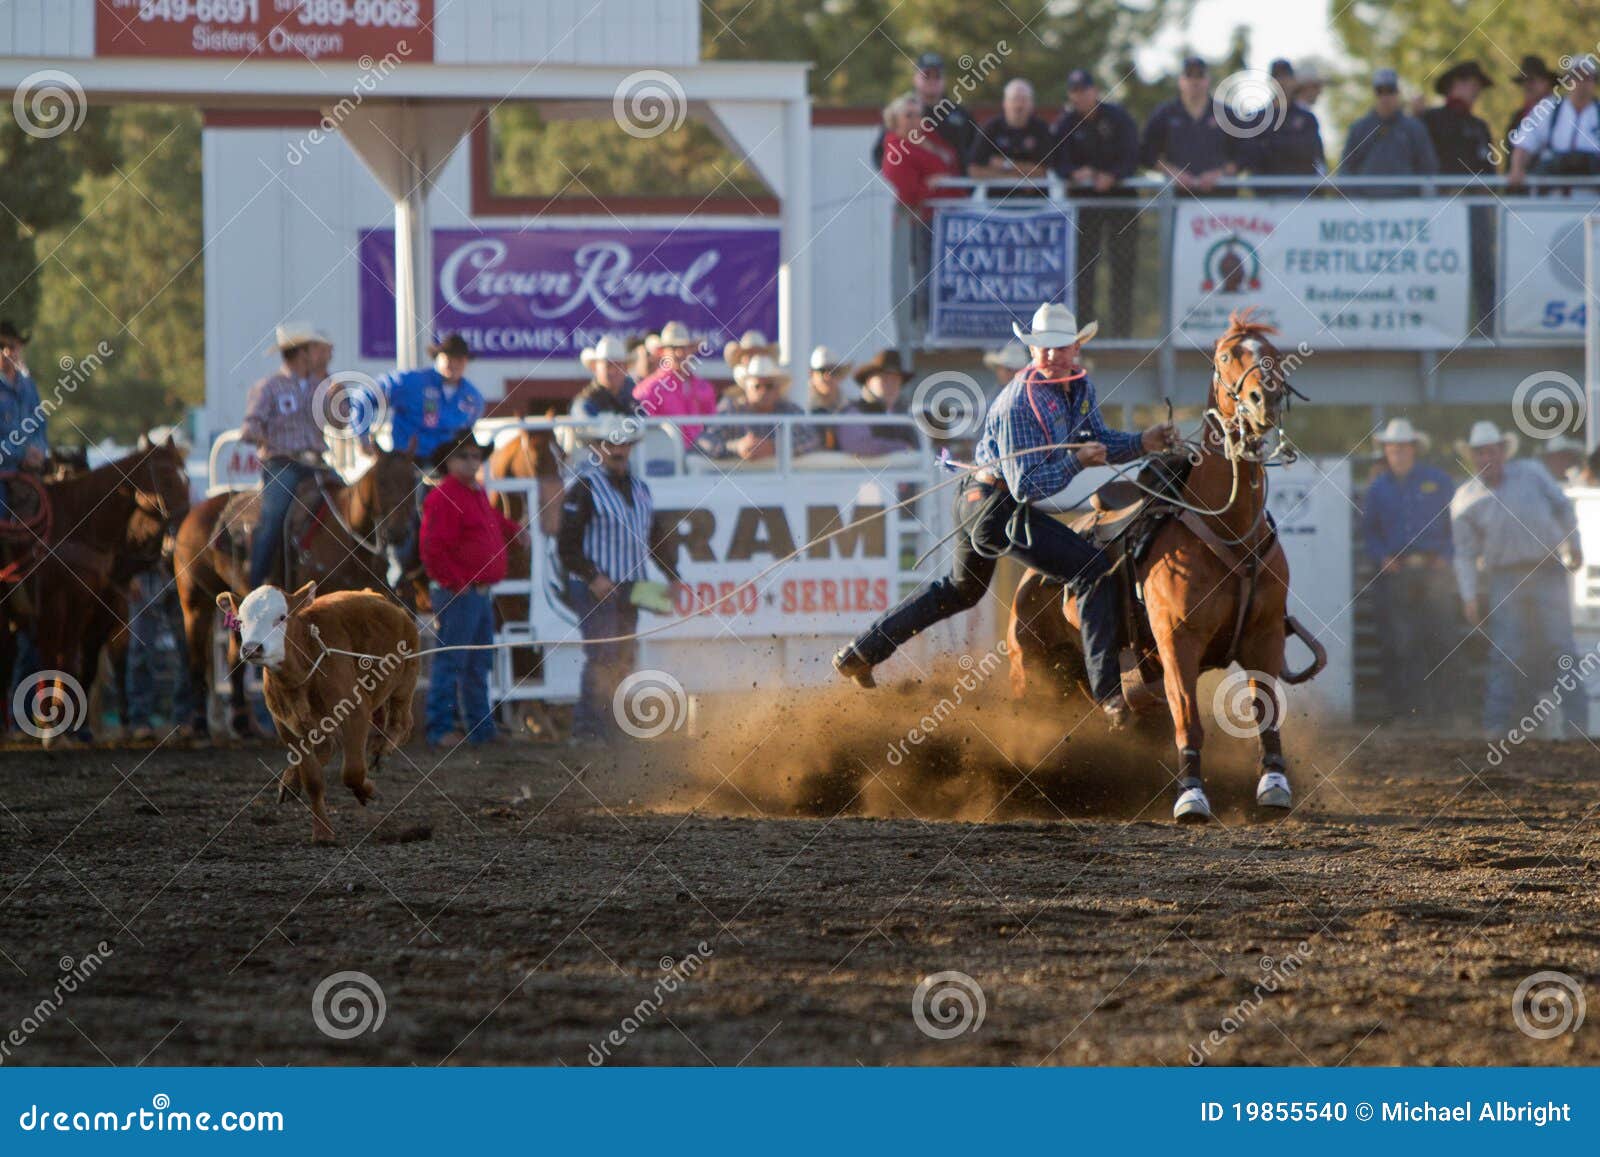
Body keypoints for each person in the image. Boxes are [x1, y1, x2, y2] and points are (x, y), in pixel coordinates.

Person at [833, 303, 1178, 723]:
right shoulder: (1018, 401)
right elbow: (1027, 486)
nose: (1051, 355)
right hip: (994, 506)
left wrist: (1144, 440)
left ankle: (861, 652)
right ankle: (1109, 695)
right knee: (1090, 569)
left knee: (960, 590)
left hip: (982, 499)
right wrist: (1077, 462)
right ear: (1033, 351)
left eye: (1059, 347)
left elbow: (1100, 439)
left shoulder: (1080, 390)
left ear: (1075, 349)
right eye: (1043, 348)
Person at [1451, 421, 1582, 738]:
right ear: (1472, 457)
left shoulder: (1532, 473)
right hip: (1505, 578)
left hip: (1546, 569)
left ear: (1502, 452)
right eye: (1480, 453)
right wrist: (1469, 595)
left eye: (1491, 451)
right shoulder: (1465, 499)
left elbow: (1563, 507)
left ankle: (1576, 727)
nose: (1486, 457)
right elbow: (1465, 554)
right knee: (1507, 653)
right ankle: (1497, 728)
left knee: (1561, 648)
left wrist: (1573, 544)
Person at [557, 416, 685, 741]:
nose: (619, 450)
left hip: (631, 585)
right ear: (598, 448)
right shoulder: (584, 488)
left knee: (624, 657)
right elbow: (566, 545)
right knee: (603, 656)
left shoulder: (641, 488)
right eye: (611, 443)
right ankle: (588, 730)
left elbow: (654, 538)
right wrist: (592, 576)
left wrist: (672, 576)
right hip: (594, 586)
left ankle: (612, 728)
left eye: (624, 443)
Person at [419, 429, 525, 746]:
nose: (471, 461)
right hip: (461, 592)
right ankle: (440, 729)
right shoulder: (444, 497)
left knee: (476, 663)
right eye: (464, 456)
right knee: (454, 661)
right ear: (450, 462)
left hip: (475, 592)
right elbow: (431, 548)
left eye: (476, 456)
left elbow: (490, 521)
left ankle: (480, 729)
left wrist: (513, 528)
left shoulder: (472, 492)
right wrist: (455, 582)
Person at [1361, 419, 1456, 727]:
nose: (1397, 452)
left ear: (1414, 448)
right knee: (1399, 643)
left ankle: (1442, 712)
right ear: (1386, 450)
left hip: (1433, 570)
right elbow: (1369, 533)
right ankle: (1404, 712)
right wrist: (1382, 557)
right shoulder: (1377, 489)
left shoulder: (1439, 482)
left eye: (1402, 447)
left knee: (1439, 639)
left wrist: (1446, 554)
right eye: (1392, 447)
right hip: (1397, 573)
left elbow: (1457, 523)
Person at [239, 321, 337, 588]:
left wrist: (339, 398)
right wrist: (264, 437)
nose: (320, 353)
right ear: (301, 353)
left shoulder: (322, 386)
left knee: (351, 500)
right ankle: (254, 584)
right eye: (313, 348)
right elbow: (249, 427)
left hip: (317, 463)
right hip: (283, 463)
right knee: (274, 518)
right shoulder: (269, 387)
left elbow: (340, 422)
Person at [1051, 70, 1140, 337]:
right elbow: (1058, 160)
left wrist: (1112, 175)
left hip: (1120, 204)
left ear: (1095, 91)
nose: (1080, 96)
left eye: (1085, 90)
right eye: (1075, 91)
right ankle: (1082, 336)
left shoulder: (1118, 118)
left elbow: (1134, 154)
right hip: (1084, 208)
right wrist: (1075, 174)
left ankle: (1122, 336)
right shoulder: (1066, 123)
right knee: (1082, 273)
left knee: (1122, 269)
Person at [1422, 61, 1496, 325]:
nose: (1477, 91)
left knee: (1482, 267)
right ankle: (1436, 327)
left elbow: (1490, 172)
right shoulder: (1429, 120)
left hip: (1474, 207)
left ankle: (1487, 327)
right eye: (1474, 85)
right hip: (1440, 207)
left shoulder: (1479, 126)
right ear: (1458, 84)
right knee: (1440, 267)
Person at [377, 332, 485, 464]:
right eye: (449, 358)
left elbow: (465, 433)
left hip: (445, 465)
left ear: (466, 362)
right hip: (407, 463)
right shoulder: (411, 382)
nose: (454, 364)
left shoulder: (473, 398)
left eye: (460, 359)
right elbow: (371, 394)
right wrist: (363, 437)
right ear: (437, 358)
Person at [1142, 56, 1238, 195]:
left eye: (1199, 76)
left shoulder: (1227, 114)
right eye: (1189, 76)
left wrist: (1219, 174)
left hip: (1220, 201)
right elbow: (1147, 153)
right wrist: (1174, 173)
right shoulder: (1165, 114)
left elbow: (1244, 154)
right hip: (1177, 201)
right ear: (1181, 81)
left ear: (1207, 80)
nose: (1194, 81)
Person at [697, 356, 818, 461]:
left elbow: (811, 439)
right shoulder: (732, 410)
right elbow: (704, 441)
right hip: (740, 481)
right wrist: (736, 447)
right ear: (746, 388)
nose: (763, 391)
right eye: (757, 386)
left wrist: (774, 447)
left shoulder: (790, 411)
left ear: (777, 389)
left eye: (769, 386)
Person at [871, 51, 976, 172]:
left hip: (957, 186)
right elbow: (881, 155)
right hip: (914, 187)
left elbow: (976, 153)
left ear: (944, 80)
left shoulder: (960, 114)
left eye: (937, 76)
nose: (932, 80)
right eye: (926, 75)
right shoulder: (902, 112)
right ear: (915, 78)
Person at [1341, 69, 1439, 195]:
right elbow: (1346, 168)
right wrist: (1356, 199)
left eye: (1390, 90)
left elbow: (1428, 167)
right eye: (1380, 91)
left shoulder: (1414, 128)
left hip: (1407, 207)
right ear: (1375, 94)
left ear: (1398, 93)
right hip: (1365, 206)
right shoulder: (1359, 128)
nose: (1385, 97)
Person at [1510, 54, 1600, 188]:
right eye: (1577, 76)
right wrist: (1517, 169)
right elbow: (1524, 143)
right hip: (1553, 197)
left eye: (1587, 78)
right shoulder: (1548, 108)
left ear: (1595, 81)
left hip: (1593, 198)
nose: (1582, 83)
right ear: (1568, 80)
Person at [633, 321, 718, 447]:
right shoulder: (648, 388)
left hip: (700, 456)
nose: (680, 353)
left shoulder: (703, 387)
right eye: (673, 348)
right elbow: (645, 431)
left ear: (690, 351)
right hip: (664, 458)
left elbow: (713, 424)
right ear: (662, 352)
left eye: (683, 348)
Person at [880, 93, 962, 218]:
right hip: (922, 221)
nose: (915, 119)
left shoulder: (929, 135)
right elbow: (907, 197)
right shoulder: (896, 153)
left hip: (954, 212)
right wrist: (930, 185)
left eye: (919, 115)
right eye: (908, 115)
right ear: (895, 119)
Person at [1249, 60, 1327, 189]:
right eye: (1277, 77)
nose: (1282, 82)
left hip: (1300, 191)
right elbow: (1252, 156)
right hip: (1265, 192)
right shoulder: (1257, 118)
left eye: (1286, 77)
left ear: (1294, 80)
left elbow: (1314, 156)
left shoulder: (1306, 118)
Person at [838, 349, 919, 456]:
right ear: (868, 381)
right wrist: (902, 447)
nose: (891, 385)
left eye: (896, 379)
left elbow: (920, 448)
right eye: (884, 378)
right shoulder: (853, 412)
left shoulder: (905, 416)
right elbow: (858, 445)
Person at [0, 320, 46, 475]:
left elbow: (40, 427)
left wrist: (38, 451)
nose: (6, 352)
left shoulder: (29, 387)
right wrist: (21, 453)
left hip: (28, 475)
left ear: (19, 348)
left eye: (11, 346)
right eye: (1, 346)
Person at [1506, 55, 1558, 170]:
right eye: (1524, 81)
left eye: (1532, 80)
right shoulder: (1518, 118)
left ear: (1546, 83)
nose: (1527, 86)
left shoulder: (1558, 114)